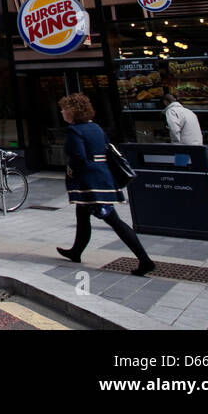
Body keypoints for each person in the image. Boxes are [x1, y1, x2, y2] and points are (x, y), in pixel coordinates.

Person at [56, 93, 155, 276]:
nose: (61, 112)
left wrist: (72, 172)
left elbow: (78, 157)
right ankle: (76, 251)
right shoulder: (96, 128)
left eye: (63, 109)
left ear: (71, 111)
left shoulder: (75, 131)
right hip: (103, 176)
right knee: (82, 215)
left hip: (91, 181)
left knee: (114, 220)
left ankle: (145, 260)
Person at [161, 76, 204, 146]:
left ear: (165, 102)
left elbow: (174, 129)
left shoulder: (171, 111)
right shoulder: (189, 111)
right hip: (198, 145)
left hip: (185, 146)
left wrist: (176, 144)